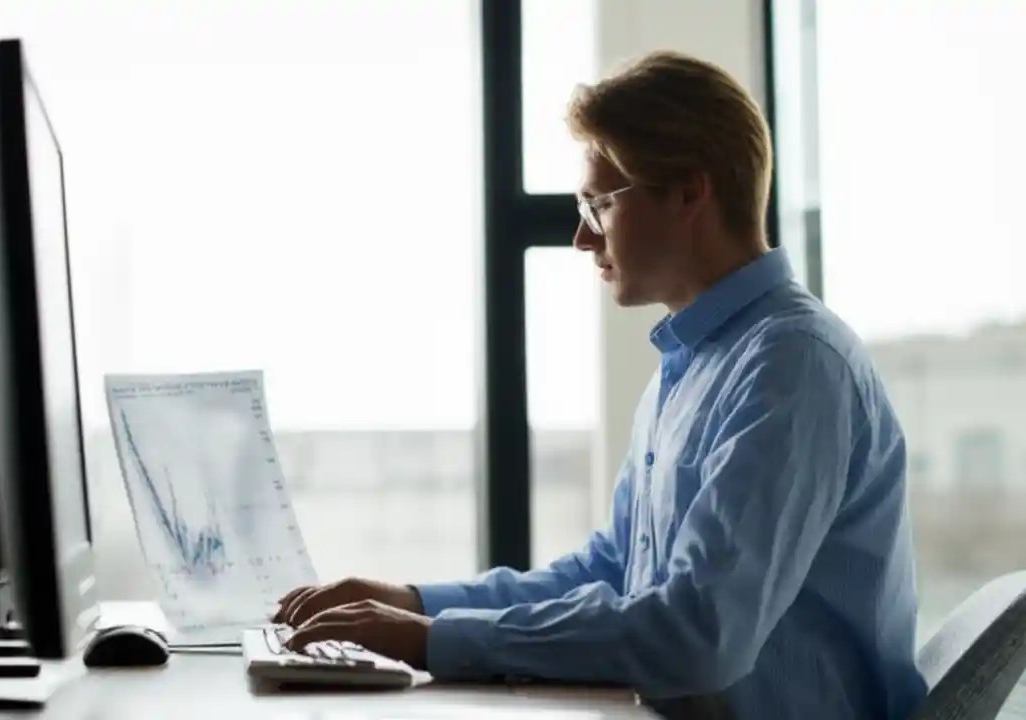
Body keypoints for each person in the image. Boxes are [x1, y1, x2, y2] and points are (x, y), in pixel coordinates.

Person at [273, 50, 927, 719]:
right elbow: (609, 573)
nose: (583, 238)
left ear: (687, 191)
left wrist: (433, 641)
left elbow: (698, 636)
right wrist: (414, 604)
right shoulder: (697, 364)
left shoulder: (793, 365)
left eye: (597, 204)